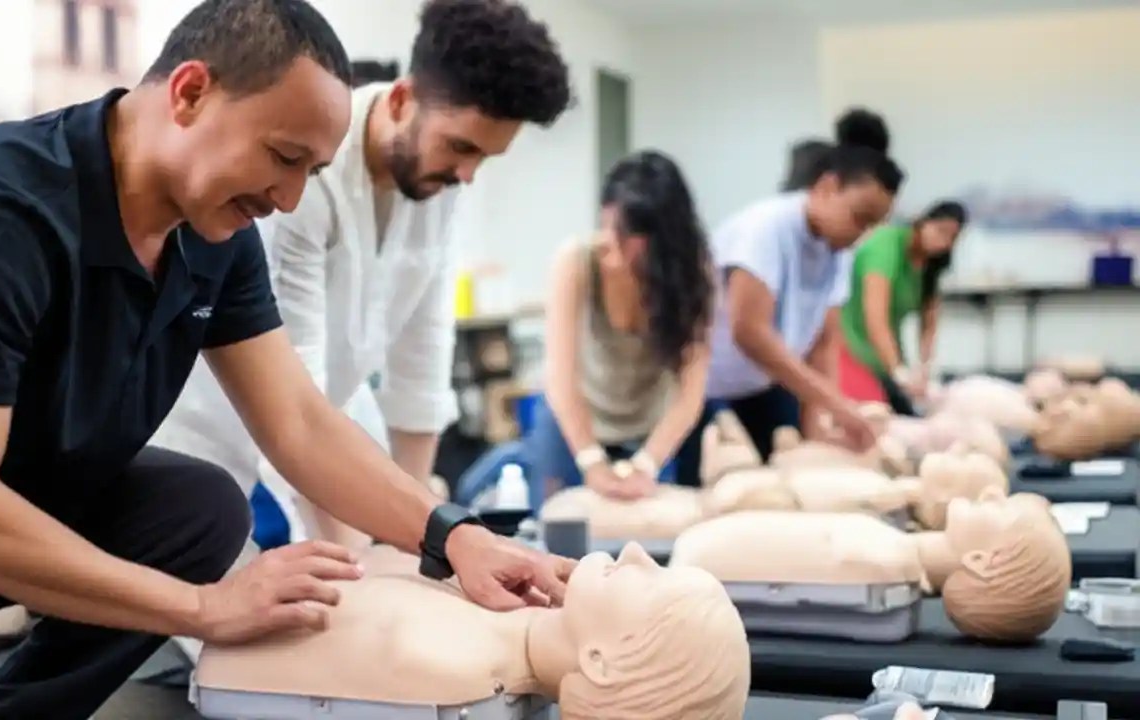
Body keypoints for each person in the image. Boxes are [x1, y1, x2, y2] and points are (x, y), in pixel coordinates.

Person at [0, 2, 571, 718]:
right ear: (191, 92)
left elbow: (297, 421)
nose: (290, 200)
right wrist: (203, 608)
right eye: (285, 158)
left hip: (31, 496)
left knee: (200, 509)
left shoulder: (213, 241)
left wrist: (456, 535)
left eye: (312, 171)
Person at [153, 0, 572, 549]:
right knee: (238, 597)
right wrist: (362, 561)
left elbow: (420, 368)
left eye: (484, 159)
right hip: (224, 429)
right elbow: (294, 403)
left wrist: (429, 538)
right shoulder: (306, 177)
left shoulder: (437, 185)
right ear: (402, 99)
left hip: (335, 419)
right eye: (460, 147)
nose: (467, 175)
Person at [701, 109, 905, 461]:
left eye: (872, 225)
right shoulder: (765, 229)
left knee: (796, 467)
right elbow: (749, 330)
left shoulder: (839, 248)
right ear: (827, 188)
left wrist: (820, 429)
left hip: (762, 384)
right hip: (706, 387)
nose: (862, 234)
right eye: (859, 217)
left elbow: (824, 345)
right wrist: (837, 405)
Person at [530, 151, 713, 506]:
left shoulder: (693, 274)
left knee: (651, 534)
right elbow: (561, 378)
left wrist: (648, 464)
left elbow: (691, 392)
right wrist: (591, 460)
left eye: (634, 240)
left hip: (651, 427)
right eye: (615, 230)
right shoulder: (578, 261)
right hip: (575, 419)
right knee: (557, 529)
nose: (620, 248)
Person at [838, 201, 968, 413]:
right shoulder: (884, 246)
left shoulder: (930, 266)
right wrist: (897, 371)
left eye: (951, 238)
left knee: (910, 416)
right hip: (850, 349)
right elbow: (875, 317)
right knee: (873, 417)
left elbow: (929, 324)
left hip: (885, 357)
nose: (942, 241)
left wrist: (925, 369)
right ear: (922, 222)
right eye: (939, 230)